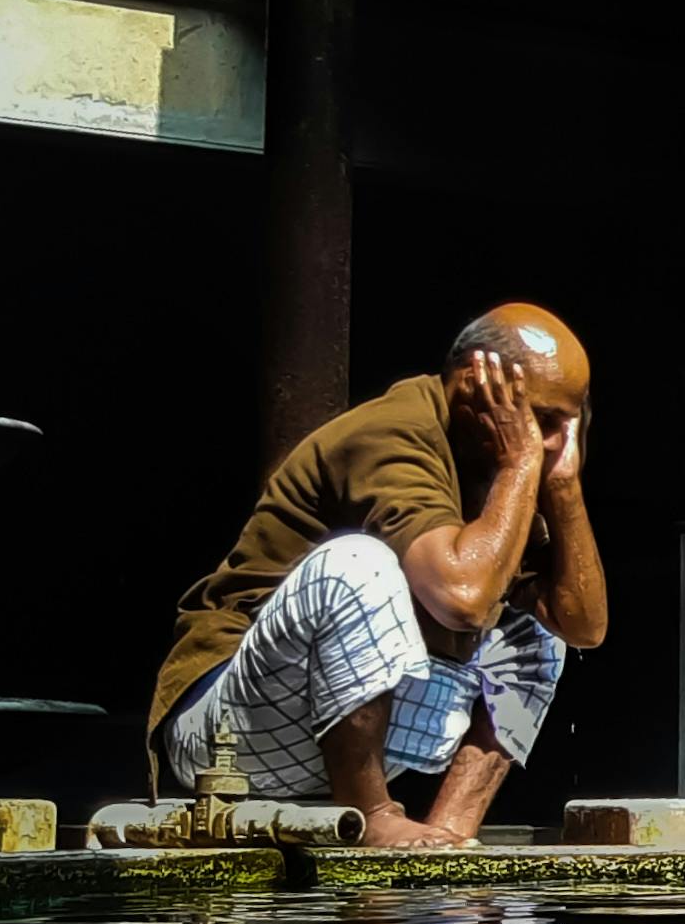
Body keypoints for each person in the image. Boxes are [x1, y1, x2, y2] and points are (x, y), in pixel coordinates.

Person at [147, 304, 608, 848]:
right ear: (476, 387)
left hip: (341, 732)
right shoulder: (392, 433)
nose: (553, 442)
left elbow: (584, 625)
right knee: (357, 561)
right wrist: (521, 465)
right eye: (544, 420)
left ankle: (450, 829)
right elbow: (462, 598)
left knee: (540, 631)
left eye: (569, 424)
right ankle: (372, 813)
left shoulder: (508, 469)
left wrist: (563, 485)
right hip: (231, 730)